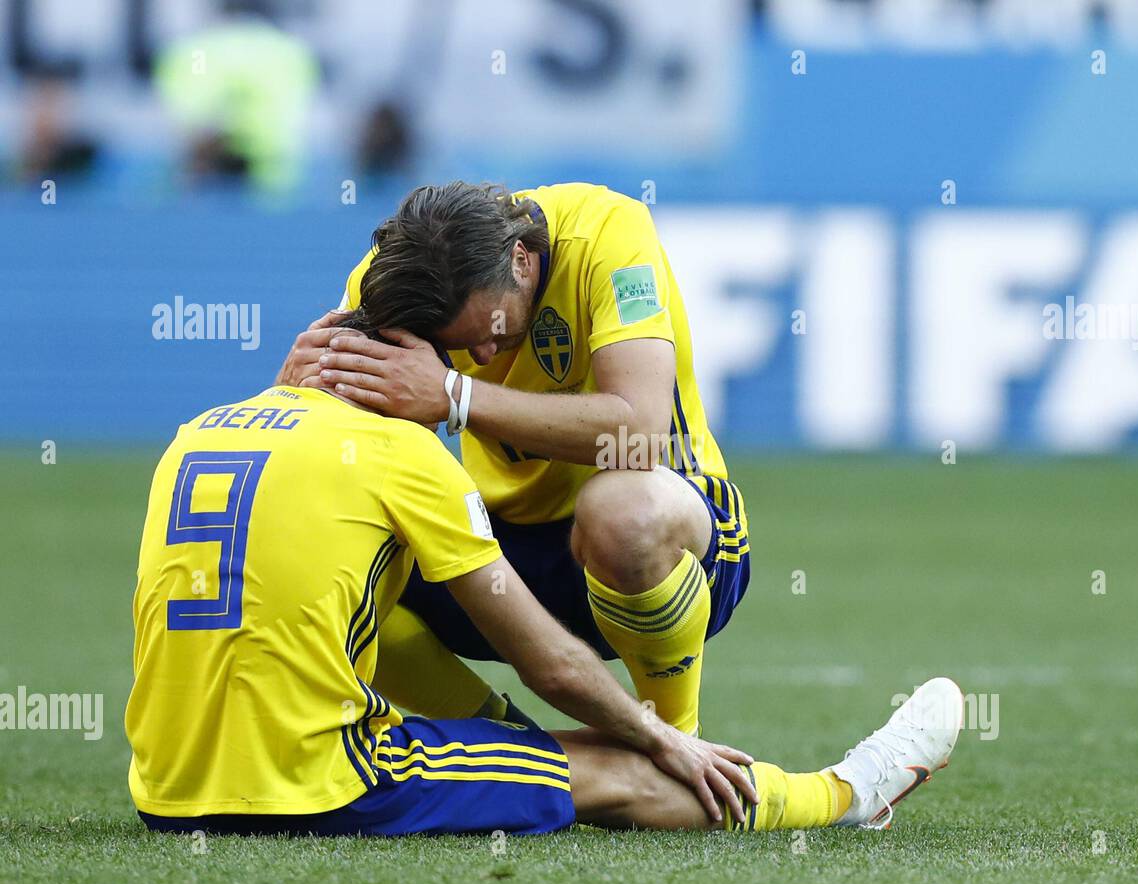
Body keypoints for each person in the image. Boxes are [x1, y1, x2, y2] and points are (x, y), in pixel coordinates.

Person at [128, 325, 963, 836]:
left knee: (372, 605)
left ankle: (512, 748)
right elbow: (552, 663)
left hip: (165, 787)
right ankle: (850, 793)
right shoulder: (400, 452)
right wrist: (658, 736)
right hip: (321, 784)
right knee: (638, 776)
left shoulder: (194, 433)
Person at [276, 182, 748, 738]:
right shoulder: (390, 280)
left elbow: (639, 432)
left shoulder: (608, 232)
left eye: (489, 334)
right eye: (458, 347)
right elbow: (313, 445)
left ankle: (676, 741)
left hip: (674, 545)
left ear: (521, 260)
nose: (480, 357)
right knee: (325, 544)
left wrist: (456, 395)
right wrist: (292, 389)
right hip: (500, 554)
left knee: (621, 512)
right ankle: (516, 742)